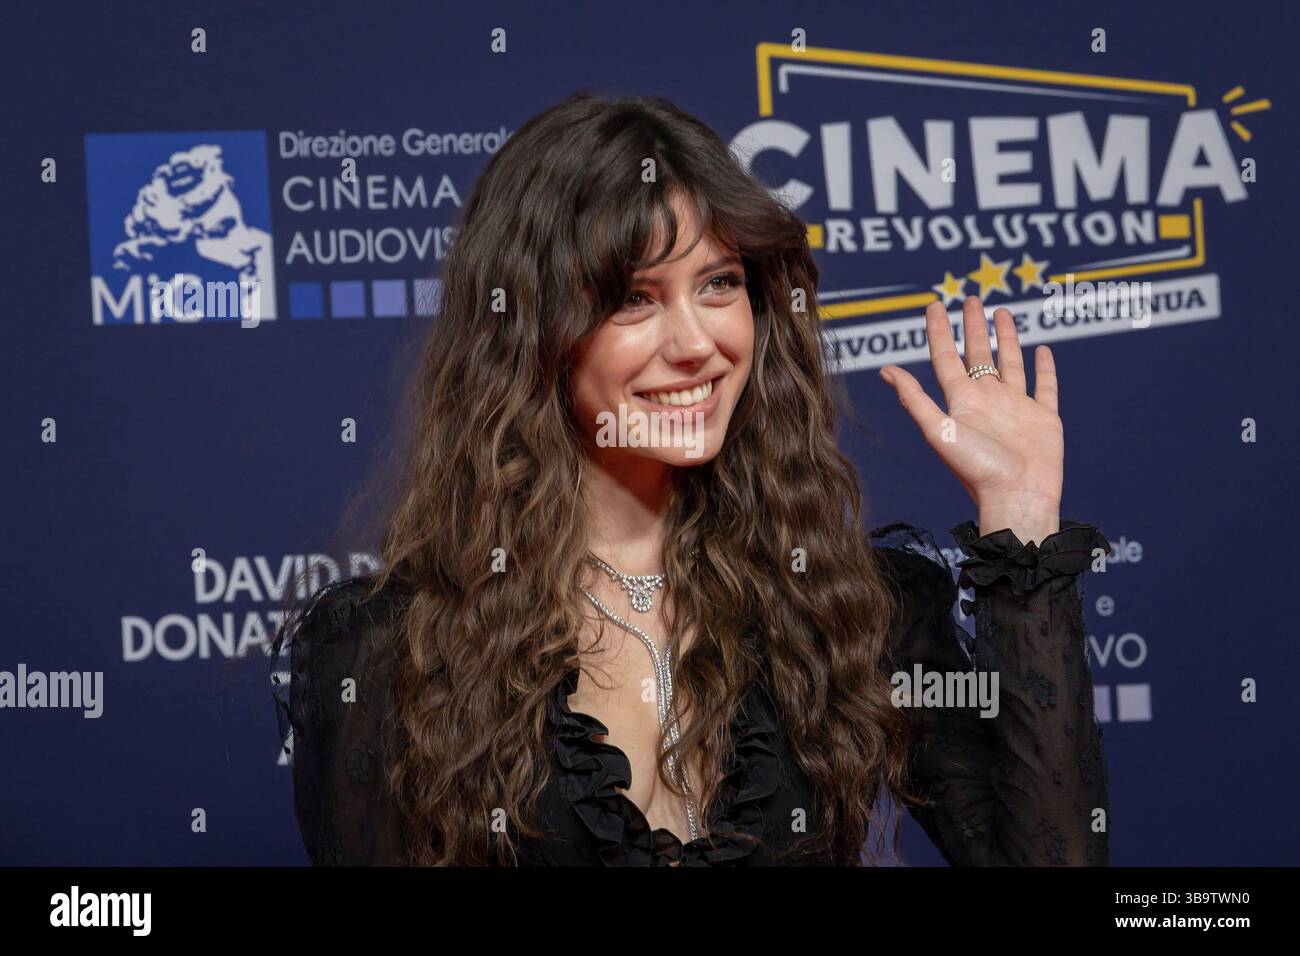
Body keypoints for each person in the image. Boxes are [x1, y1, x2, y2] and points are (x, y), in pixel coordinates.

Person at [269, 91, 1111, 867]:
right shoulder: (393, 652)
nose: (696, 343)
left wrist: (1021, 512)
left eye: (719, 284)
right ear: (532, 333)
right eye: (635, 298)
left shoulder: (851, 613)